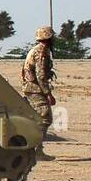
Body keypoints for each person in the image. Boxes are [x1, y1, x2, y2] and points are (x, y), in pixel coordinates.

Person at [21, 26, 57, 161]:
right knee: (44, 117)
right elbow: (41, 75)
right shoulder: (41, 51)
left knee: (39, 118)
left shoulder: (38, 49)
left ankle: (36, 150)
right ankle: (35, 150)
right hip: (34, 89)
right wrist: (48, 93)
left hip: (32, 87)